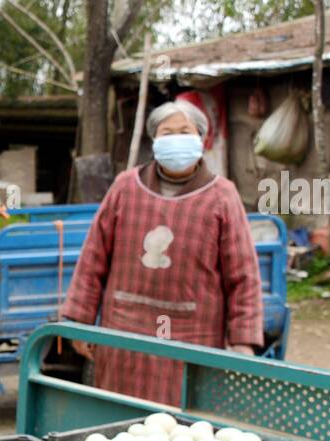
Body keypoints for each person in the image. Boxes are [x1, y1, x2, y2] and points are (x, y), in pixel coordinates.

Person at [61, 99, 262, 405]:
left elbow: (243, 275)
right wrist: (78, 321)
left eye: (184, 131)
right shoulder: (125, 187)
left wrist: (243, 341)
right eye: (167, 133)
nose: (175, 139)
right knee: (118, 422)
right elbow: (93, 258)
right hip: (125, 332)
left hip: (193, 337)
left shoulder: (223, 196)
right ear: (154, 140)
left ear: (202, 138)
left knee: (182, 430)